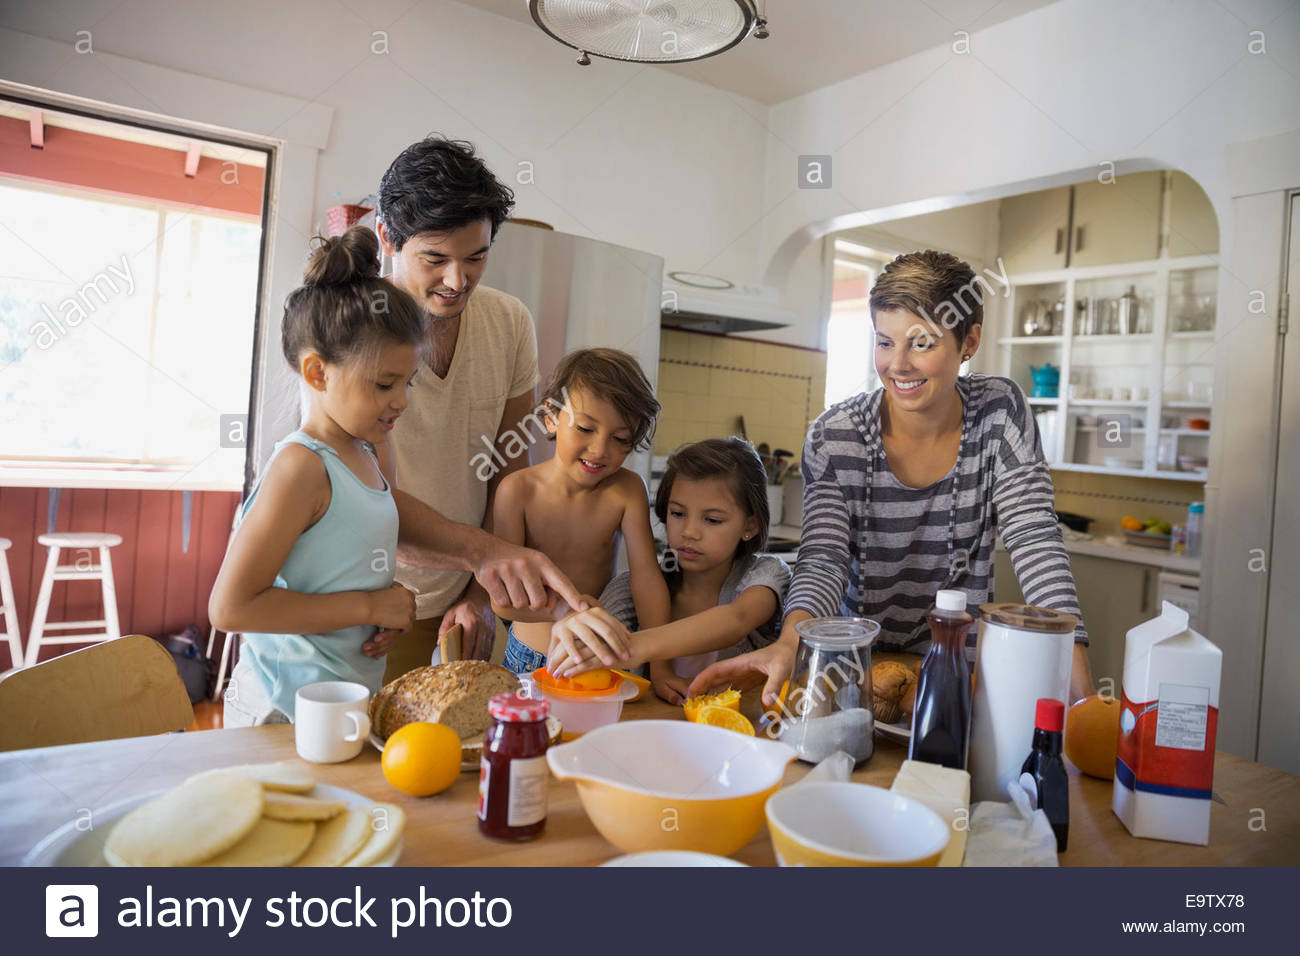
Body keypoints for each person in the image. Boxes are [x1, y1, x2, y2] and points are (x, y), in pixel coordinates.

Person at [688, 250, 1097, 709]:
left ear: (969, 341)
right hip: (848, 667)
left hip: (952, 668)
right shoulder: (835, 436)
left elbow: (1035, 538)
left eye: (921, 343)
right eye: (885, 343)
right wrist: (792, 643)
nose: (898, 365)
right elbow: (823, 558)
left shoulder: (1000, 412)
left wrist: (1075, 676)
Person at [210, 227, 581, 726]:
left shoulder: (369, 453)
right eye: (385, 384)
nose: (402, 401)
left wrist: (386, 606)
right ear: (318, 373)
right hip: (280, 708)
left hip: (340, 703)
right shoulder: (301, 467)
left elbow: (347, 567)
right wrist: (367, 606)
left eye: (408, 383)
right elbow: (231, 608)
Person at [375, 135, 542, 677]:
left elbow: (509, 473)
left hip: (464, 604)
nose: (457, 280)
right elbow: (361, 497)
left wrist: (477, 590)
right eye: (435, 259)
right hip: (367, 603)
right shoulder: (354, 332)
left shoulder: (510, 323)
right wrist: (484, 558)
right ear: (388, 239)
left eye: (476, 257)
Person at [547, 437, 792, 706]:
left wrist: (632, 647)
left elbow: (736, 619)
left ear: (750, 526)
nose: (689, 532)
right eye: (678, 514)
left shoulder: (766, 575)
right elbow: (597, 655)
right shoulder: (630, 590)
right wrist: (576, 627)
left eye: (712, 520)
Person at [492, 348, 670, 675]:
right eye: (585, 429)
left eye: (620, 439)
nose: (601, 450)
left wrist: (660, 666)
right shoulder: (516, 491)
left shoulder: (627, 490)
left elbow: (646, 579)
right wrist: (564, 612)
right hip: (532, 658)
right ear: (550, 417)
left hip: (597, 659)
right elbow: (501, 600)